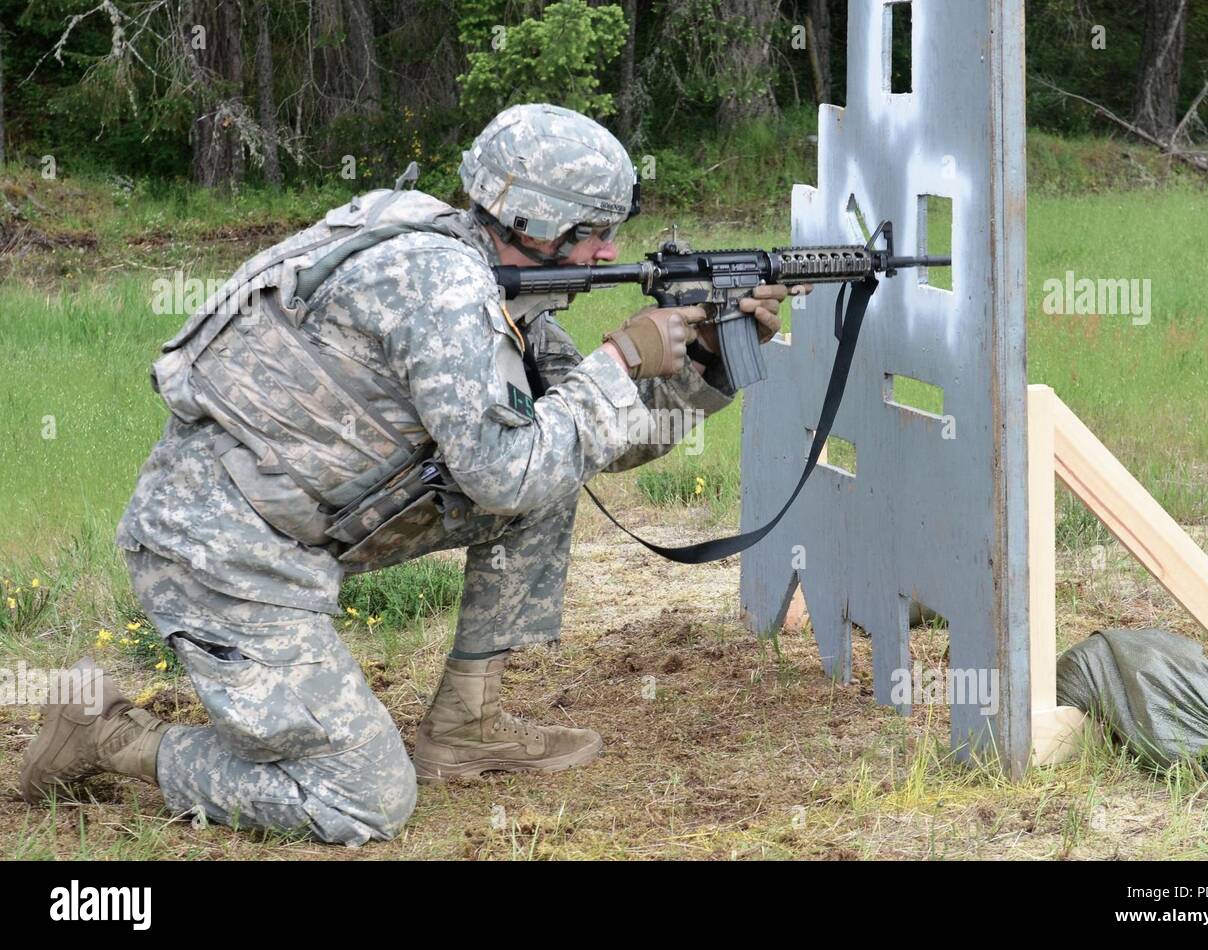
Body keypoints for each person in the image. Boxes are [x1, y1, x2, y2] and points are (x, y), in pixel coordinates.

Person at [20, 103, 801, 846]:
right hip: (219, 554)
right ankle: (113, 736)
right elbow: (509, 475)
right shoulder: (439, 288)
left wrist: (700, 363)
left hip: (304, 524)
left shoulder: (477, 272)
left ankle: (468, 724)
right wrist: (623, 357)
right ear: (533, 224)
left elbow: (586, 437)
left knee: (552, 453)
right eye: (595, 234)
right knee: (363, 799)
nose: (608, 255)